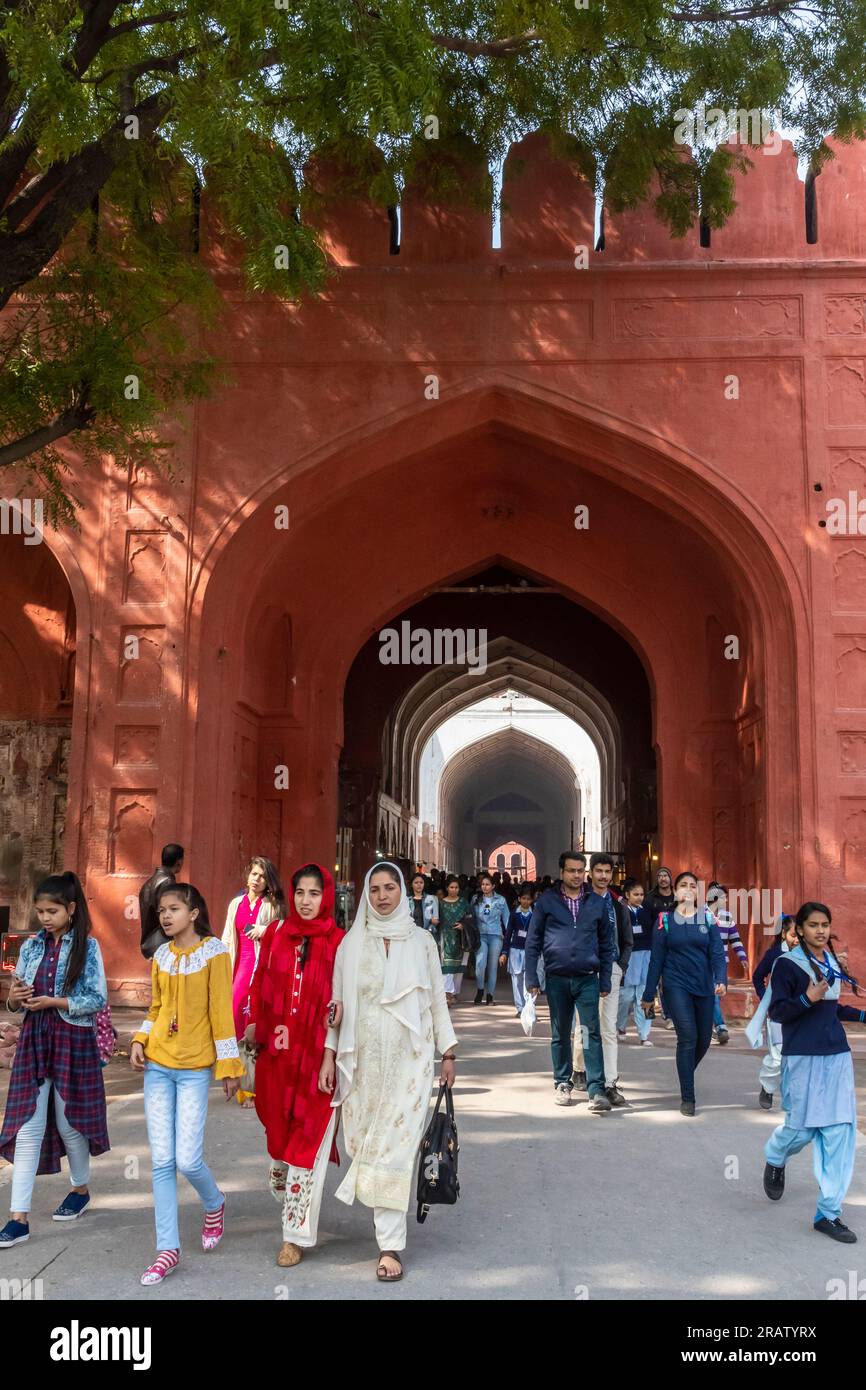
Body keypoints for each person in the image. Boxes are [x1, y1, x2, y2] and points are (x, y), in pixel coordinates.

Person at [319, 861, 457, 1282]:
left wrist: (447, 1051)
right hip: (360, 1061)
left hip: (409, 1063)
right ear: (366, 893)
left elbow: (435, 998)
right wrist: (329, 1056)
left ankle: (390, 1245)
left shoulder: (422, 942)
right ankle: (385, 1227)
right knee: (366, 1143)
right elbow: (336, 1008)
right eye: (375, 888)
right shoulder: (350, 945)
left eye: (389, 888)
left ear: (402, 892)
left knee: (395, 1148)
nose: (382, 896)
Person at [130, 881, 243, 1286]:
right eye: (162, 910)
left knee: (187, 1159)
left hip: (195, 1068)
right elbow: (156, 1006)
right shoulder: (160, 954)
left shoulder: (215, 953)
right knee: (161, 1161)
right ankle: (167, 1249)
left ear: (193, 913)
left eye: (174, 909)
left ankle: (214, 1202)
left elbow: (221, 1013)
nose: (165, 915)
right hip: (158, 1064)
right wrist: (140, 1039)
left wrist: (229, 1066)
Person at [0, 873, 109, 1248]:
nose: (45, 917)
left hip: (73, 1040)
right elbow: (15, 1001)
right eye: (40, 911)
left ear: (71, 909)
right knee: (27, 1125)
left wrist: (55, 1002)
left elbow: (97, 999)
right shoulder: (30, 947)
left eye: (52, 911)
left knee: (69, 1123)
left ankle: (79, 1190)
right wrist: (17, 997)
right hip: (34, 1038)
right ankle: (19, 1218)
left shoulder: (87, 948)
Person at [245, 863, 343, 1268]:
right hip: (279, 1055)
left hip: (316, 1057)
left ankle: (294, 1235)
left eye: (314, 894)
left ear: (327, 897)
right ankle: (283, 1189)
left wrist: (330, 1055)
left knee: (309, 1143)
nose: (306, 901)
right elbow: (260, 979)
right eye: (300, 892)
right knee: (281, 1139)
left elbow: (340, 1005)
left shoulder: (339, 943)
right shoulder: (276, 935)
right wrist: (253, 1023)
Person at [761, 902, 865, 1243]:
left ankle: (828, 1213)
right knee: (802, 1131)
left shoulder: (830, 961)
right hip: (803, 1056)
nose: (820, 930)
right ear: (800, 929)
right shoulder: (787, 965)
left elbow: (831, 1008)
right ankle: (776, 1155)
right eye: (813, 925)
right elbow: (778, 1012)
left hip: (835, 1055)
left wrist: (863, 1015)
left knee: (839, 1132)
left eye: (825, 925)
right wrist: (806, 998)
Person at [525, 851, 614, 1113]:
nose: (577, 875)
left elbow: (607, 945)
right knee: (560, 1033)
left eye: (580, 870)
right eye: (571, 870)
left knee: (589, 1032)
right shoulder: (547, 902)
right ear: (561, 872)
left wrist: (605, 978)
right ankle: (562, 1082)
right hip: (557, 978)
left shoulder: (596, 902)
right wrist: (532, 977)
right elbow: (533, 941)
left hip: (587, 978)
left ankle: (596, 1089)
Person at [641, 871, 727, 1116]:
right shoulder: (664, 921)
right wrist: (648, 995)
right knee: (688, 1037)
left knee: (703, 1040)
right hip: (675, 985)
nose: (688, 889)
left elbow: (717, 953)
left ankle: (684, 1070)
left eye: (692, 886)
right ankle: (688, 1097)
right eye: (683, 885)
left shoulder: (707, 919)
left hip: (703, 986)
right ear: (676, 892)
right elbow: (656, 960)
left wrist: (721, 979)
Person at [221, 857, 286, 1104]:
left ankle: (252, 1087)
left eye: (262, 876)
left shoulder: (271, 906)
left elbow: (283, 934)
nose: (256, 880)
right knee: (236, 1020)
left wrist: (266, 930)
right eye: (254, 874)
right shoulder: (235, 904)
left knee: (255, 1025)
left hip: (262, 968)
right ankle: (236, 1079)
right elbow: (227, 938)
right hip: (240, 968)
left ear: (268, 881)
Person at [571, 853, 632, 1106]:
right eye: (599, 871)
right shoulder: (580, 903)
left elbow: (627, 940)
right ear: (590, 873)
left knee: (608, 1028)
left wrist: (620, 965)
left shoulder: (618, 907)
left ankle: (609, 1082)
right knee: (584, 1023)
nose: (604, 876)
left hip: (612, 968)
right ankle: (579, 1068)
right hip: (586, 969)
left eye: (608, 872)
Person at [752, 914, 798, 1109]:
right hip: (778, 1015)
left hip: (800, 1013)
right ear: (783, 935)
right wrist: (767, 1000)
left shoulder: (808, 954)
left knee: (797, 1056)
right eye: (794, 935)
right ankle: (767, 1088)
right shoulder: (775, 954)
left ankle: (793, 1097)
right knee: (778, 1057)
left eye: (800, 935)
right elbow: (757, 977)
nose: (797, 940)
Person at [706, 882, 749, 1045]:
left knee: (718, 994)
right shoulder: (701, 914)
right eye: (724, 897)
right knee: (713, 996)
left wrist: (742, 957)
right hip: (705, 963)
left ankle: (709, 1026)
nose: (726, 900)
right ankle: (721, 1027)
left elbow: (735, 939)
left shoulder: (727, 916)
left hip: (722, 963)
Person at [616, 878, 654, 1045]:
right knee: (625, 996)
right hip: (629, 957)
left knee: (644, 996)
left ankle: (644, 1034)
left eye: (641, 894)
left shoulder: (648, 911)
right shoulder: (621, 912)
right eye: (635, 894)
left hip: (646, 955)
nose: (639, 897)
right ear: (627, 895)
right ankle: (620, 1026)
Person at [139, 843, 184, 960]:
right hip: (164, 946)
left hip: (151, 945)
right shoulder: (168, 882)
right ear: (179, 862)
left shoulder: (148, 883)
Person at [472, 872, 510, 1004]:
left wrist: (509, 936)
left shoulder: (501, 900)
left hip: (496, 935)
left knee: (493, 966)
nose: (485, 887)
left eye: (487, 884)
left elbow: (507, 919)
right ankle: (480, 989)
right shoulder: (476, 899)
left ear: (493, 886)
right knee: (480, 964)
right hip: (481, 934)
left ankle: (490, 995)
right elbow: (470, 917)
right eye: (483, 884)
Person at [501, 884, 534, 1015]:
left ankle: (528, 1007)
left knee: (529, 979)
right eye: (524, 898)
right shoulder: (514, 913)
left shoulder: (535, 914)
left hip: (529, 951)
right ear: (519, 899)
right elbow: (508, 933)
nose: (526, 901)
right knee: (516, 980)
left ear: (532, 900)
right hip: (515, 950)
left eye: (529, 899)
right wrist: (504, 952)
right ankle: (520, 1008)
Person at [439, 875, 469, 1006]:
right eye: (451, 887)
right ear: (447, 888)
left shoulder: (464, 902)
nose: (454, 889)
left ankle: (455, 993)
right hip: (445, 938)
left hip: (461, 939)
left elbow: (471, 919)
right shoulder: (441, 903)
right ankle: (448, 994)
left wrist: (464, 926)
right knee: (447, 967)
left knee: (458, 969)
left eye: (456, 887)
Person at [409, 872, 440, 942]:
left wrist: (433, 922)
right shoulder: (407, 900)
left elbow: (436, 920)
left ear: (424, 884)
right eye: (416, 882)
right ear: (411, 884)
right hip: (411, 935)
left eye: (421, 882)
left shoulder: (432, 899)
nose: (419, 885)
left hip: (427, 935)